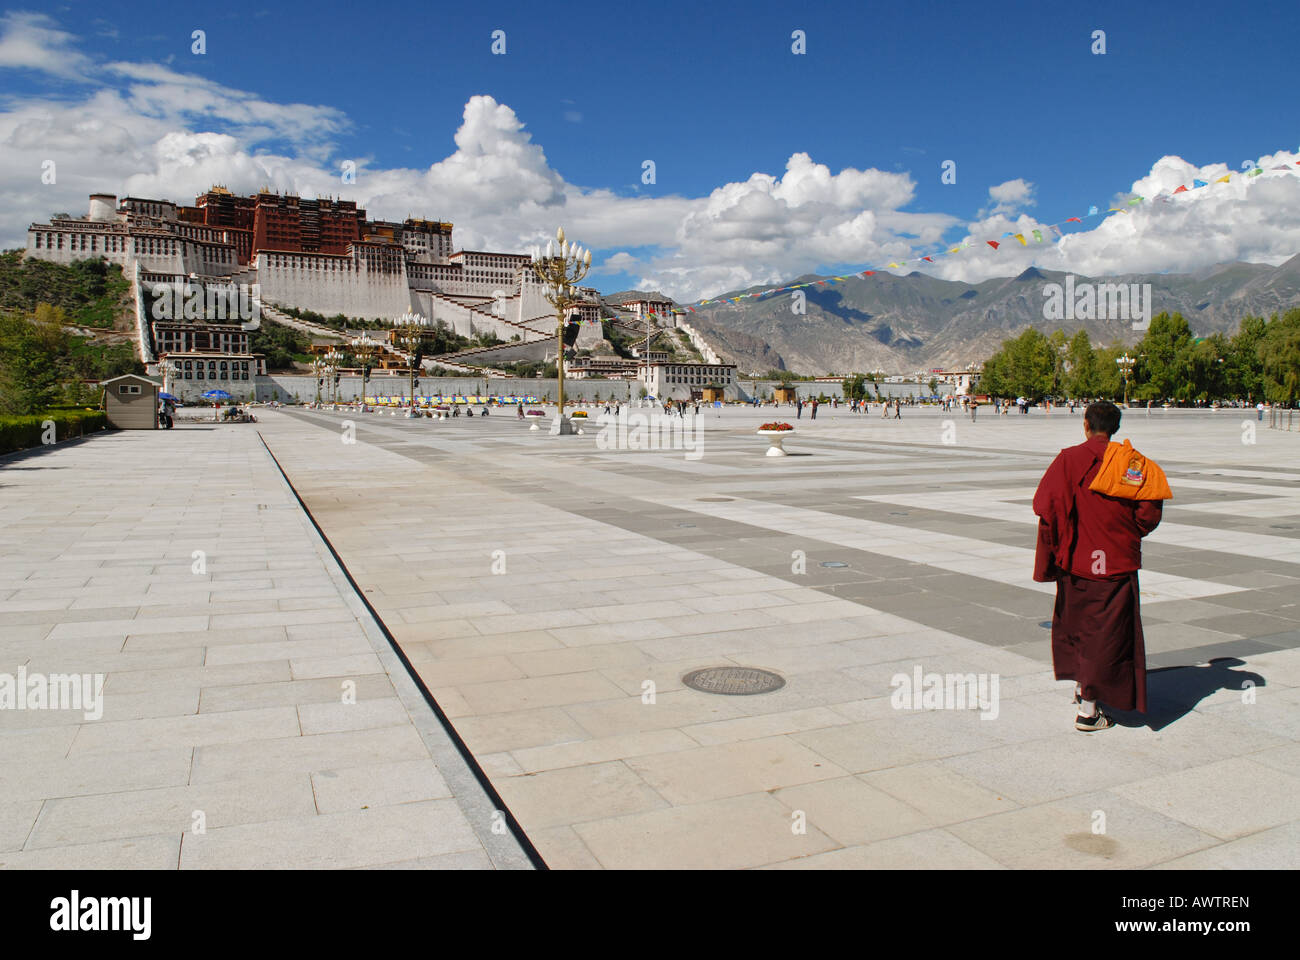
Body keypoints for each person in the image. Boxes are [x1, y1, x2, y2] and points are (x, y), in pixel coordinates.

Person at [1032, 401, 1163, 731]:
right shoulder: (1133, 463)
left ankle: (1084, 693)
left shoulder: (1069, 459)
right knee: (1108, 635)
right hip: (1115, 562)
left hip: (1076, 562)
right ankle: (1089, 711)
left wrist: (1053, 555)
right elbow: (1148, 515)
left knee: (1079, 628)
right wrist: (1123, 534)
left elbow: (1045, 507)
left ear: (1086, 425)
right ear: (1116, 428)